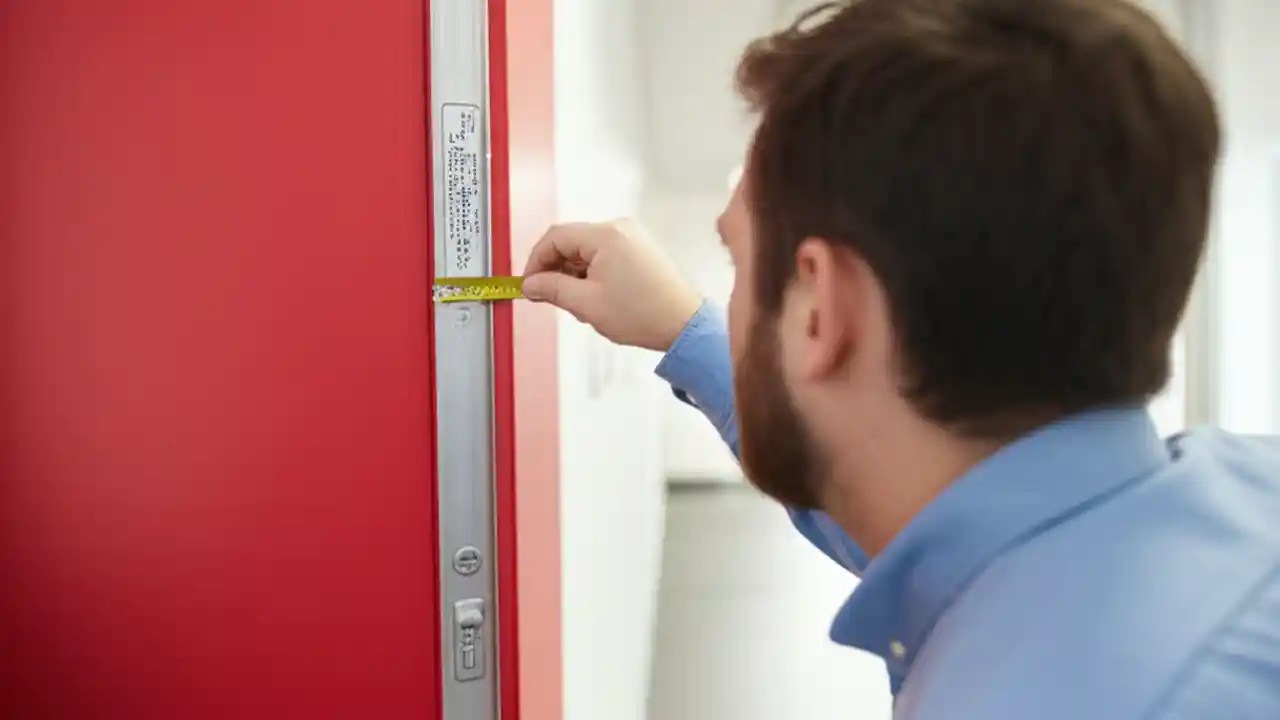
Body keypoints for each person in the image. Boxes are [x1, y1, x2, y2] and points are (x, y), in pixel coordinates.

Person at [523, 0, 1280, 717]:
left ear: (821, 309)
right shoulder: (1240, 491)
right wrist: (685, 332)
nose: (737, 289)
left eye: (739, 261)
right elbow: (913, 509)